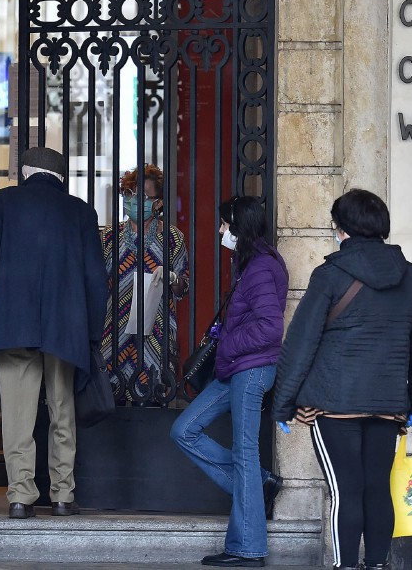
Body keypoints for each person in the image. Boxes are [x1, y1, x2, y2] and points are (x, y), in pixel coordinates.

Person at [272, 189, 412, 570]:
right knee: (378, 488)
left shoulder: (329, 275)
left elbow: (300, 343)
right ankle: (378, 565)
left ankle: (346, 566)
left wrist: (282, 404)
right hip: (389, 405)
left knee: (347, 491)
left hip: (334, 406)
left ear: (341, 229)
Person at [0, 146, 108, 519]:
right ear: (61, 177)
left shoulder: (5, 202)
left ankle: (21, 496)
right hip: (65, 328)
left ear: (24, 172)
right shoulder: (81, 212)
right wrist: (91, 333)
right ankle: (61, 495)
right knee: (62, 411)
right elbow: (96, 279)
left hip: (14, 324)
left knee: (18, 416)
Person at [170, 196, 288, 568]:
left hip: (249, 369)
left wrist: (228, 344)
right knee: (184, 429)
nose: (221, 231)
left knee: (244, 451)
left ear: (240, 226)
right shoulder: (252, 264)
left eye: (225, 225)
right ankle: (259, 484)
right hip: (236, 368)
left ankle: (247, 547)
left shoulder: (261, 268)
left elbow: (271, 328)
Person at [101, 164, 190, 404]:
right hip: (114, 333)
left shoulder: (172, 238)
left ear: (158, 203)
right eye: (128, 195)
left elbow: (185, 286)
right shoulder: (109, 237)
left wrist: (172, 278)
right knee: (113, 402)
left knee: (151, 399)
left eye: (142, 196)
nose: (132, 201)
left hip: (156, 334)